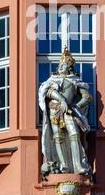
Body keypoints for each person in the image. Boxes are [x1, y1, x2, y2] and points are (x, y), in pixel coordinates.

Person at [39, 47, 93, 178]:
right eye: (59, 65)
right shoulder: (52, 81)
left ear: (69, 67)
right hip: (54, 110)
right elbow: (47, 92)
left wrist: (75, 106)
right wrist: (61, 99)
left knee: (74, 134)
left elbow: (87, 97)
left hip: (69, 111)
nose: (60, 67)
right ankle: (64, 166)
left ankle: (78, 165)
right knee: (58, 137)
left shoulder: (75, 81)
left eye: (63, 65)